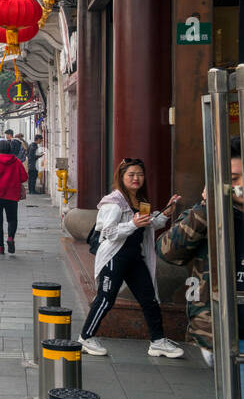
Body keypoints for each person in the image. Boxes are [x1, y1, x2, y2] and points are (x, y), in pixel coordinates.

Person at [79, 159, 184, 358]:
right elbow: (109, 232)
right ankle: (85, 337)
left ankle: (158, 341)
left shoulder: (141, 200)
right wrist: (133, 224)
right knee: (105, 299)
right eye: (131, 174)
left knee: (149, 299)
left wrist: (166, 212)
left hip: (135, 257)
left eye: (140, 174)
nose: (136, 178)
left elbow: (147, 224)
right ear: (121, 177)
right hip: (115, 256)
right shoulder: (114, 202)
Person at [159, 137, 244, 367]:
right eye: (234, 179)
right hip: (215, 334)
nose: (242, 186)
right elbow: (168, 251)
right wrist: (207, 207)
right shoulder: (209, 216)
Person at [0, 139, 27, 254]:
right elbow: (24, 177)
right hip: (12, 195)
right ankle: (10, 238)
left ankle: (0, 246)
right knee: (12, 219)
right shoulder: (16, 161)